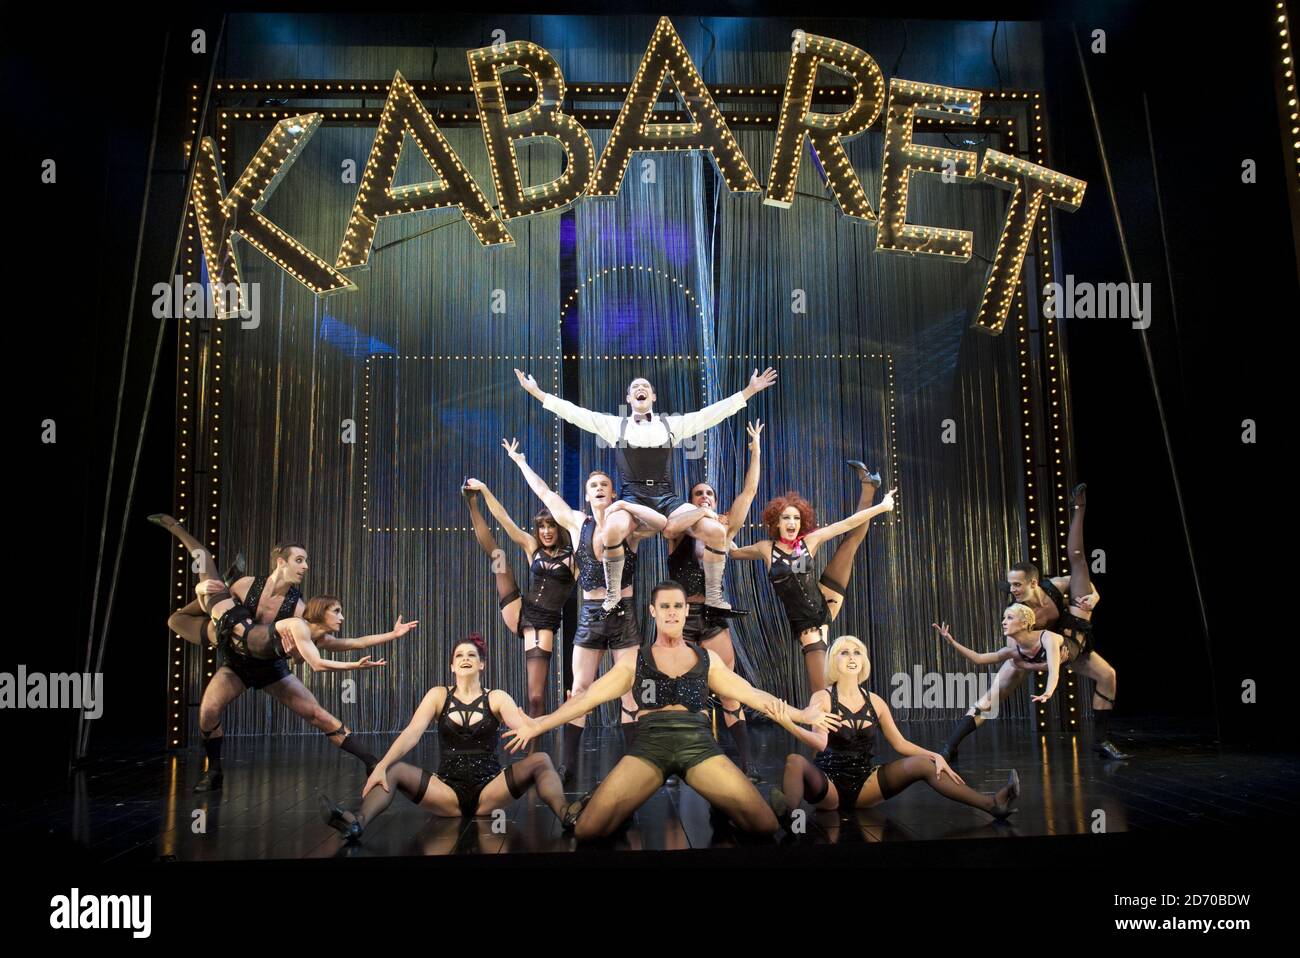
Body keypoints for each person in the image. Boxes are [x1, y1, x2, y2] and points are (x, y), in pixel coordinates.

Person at [502, 580, 838, 842]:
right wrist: (538, 725)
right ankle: (588, 805)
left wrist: (802, 715)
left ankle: (725, 809)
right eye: (665, 606)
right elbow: (585, 700)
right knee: (588, 831)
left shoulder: (707, 660)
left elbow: (751, 695)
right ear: (653, 611)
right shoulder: (636, 660)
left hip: (698, 745)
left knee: (764, 827)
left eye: (678, 606)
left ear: (685, 611)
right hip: (650, 746)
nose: (673, 612)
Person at [514, 366, 778, 616]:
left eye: (645, 386)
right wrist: (538, 393)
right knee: (612, 530)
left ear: (652, 396)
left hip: (666, 498)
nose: (640, 388)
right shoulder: (614, 426)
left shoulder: (670, 425)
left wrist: (749, 391)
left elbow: (710, 415)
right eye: (635, 387)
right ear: (629, 398)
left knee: (717, 532)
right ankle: (613, 595)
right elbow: (574, 413)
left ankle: (713, 597)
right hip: (632, 496)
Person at [318, 635, 581, 842]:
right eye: (459, 655)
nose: (465, 658)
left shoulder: (497, 697)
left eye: (472, 655)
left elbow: (529, 727)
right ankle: (356, 823)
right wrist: (382, 766)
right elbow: (411, 733)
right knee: (393, 769)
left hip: (489, 790)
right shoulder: (437, 695)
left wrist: (565, 711)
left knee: (542, 760)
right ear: (452, 665)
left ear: (481, 664)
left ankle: (567, 814)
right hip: (447, 793)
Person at [502, 439, 656, 781]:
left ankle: (635, 767)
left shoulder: (627, 526)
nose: (599, 489)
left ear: (612, 494)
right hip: (590, 614)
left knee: (629, 690)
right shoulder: (575, 523)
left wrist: (629, 508)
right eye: (593, 486)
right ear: (587, 495)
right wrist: (520, 460)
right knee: (581, 688)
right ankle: (568, 765)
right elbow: (544, 493)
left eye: (604, 485)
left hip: (623, 613)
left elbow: (660, 524)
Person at [767, 635, 1020, 825]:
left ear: (864, 660)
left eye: (857, 652)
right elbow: (820, 743)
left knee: (924, 764)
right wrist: (787, 722)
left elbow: (899, 744)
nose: (852, 657)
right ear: (834, 660)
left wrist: (936, 756)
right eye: (844, 652)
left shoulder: (875, 701)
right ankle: (791, 819)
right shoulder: (821, 698)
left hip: (865, 785)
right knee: (795, 762)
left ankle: (992, 804)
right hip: (829, 787)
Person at [662, 419, 764, 779]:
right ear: (690, 502)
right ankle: (677, 761)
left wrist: (754, 451)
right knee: (679, 693)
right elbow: (673, 523)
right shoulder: (678, 532)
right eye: (698, 495)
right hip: (682, 618)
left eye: (710, 495)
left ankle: (748, 763)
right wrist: (701, 512)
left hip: (713, 616)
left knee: (729, 691)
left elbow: (748, 495)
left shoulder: (723, 531)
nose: (705, 498)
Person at [729, 481, 895, 691]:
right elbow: (733, 552)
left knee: (850, 543)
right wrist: (723, 529)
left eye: (796, 518)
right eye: (786, 517)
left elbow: (847, 523)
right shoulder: (766, 549)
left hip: (825, 599)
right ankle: (828, 715)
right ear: (776, 522)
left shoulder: (808, 541)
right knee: (821, 689)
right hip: (806, 622)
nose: (792, 522)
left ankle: (869, 487)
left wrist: (882, 506)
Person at [1005, 484, 1127, 759]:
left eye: (1016, 584)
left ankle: (1101, 740)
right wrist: (1039, 663)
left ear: (1031, 582)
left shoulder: (1051, 585)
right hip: (1059, 646)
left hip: (1076, 630)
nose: (1012, 589)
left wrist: (1095, 597)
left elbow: (1078, 569)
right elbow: (1019, 649)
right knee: (992, 695)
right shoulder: (1018, 610)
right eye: (1010, 585)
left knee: (1108, 676)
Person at [460, 476, 575, 727]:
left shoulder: (573, 557)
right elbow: (504, 519)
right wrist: (485, 490)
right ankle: (471, 505)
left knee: (535, 697)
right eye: (541, 526)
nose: (545, 531)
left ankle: (534, 749)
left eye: (551, 526)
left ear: (559, 528)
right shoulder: (531, 546)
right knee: (498, 556)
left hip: (543, 624)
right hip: (519, 611)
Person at [934, 603, 1074, 763]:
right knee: (984, 705)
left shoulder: (1047, 638)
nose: (1003, 622)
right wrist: (952, 642)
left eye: (1009, 617)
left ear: (1024, 623)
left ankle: (950, 748)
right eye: (1004, 618)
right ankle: (949, 748)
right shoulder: (1013, 650)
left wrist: (1048, 691)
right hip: (1027, 661)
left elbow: (1054, 671)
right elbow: (979, 659)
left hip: (1076, 652)